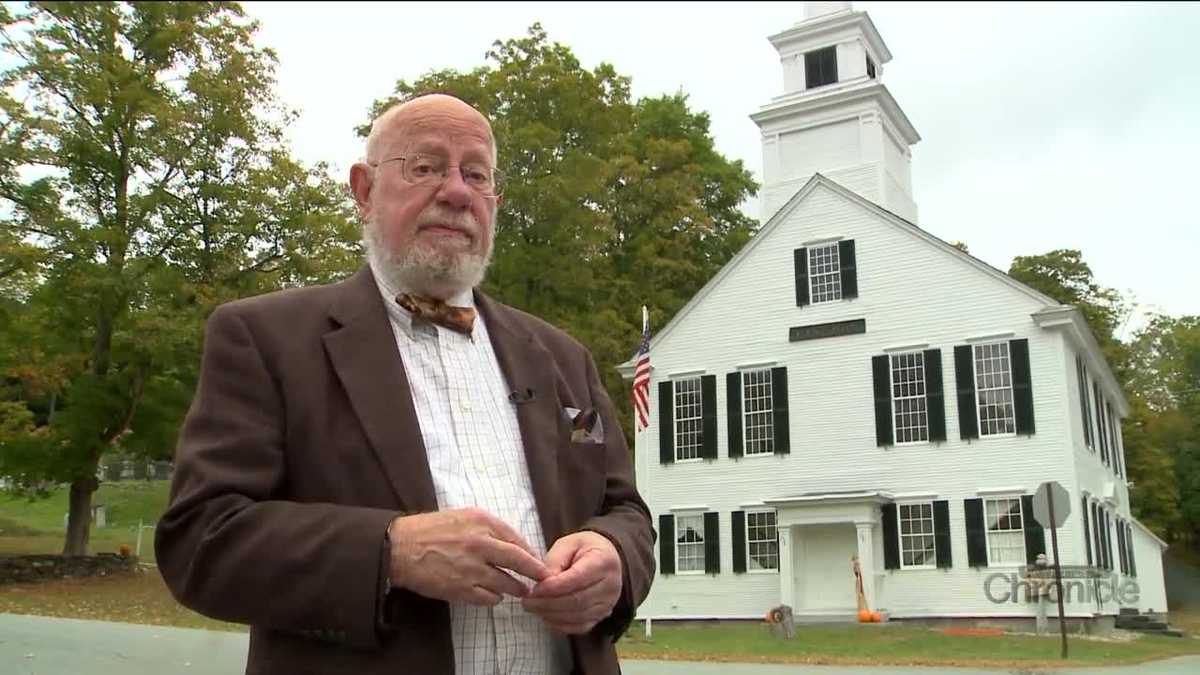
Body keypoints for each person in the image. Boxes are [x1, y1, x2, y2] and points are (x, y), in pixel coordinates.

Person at [155, 93, 656, 675]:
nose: (456, 191)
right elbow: (201, 541)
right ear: (365, 191)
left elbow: (624, 509)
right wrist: (392, 551)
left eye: (476, 174)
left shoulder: (562, 359)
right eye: (425, 167)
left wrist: (613, 557)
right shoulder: (265, 340)